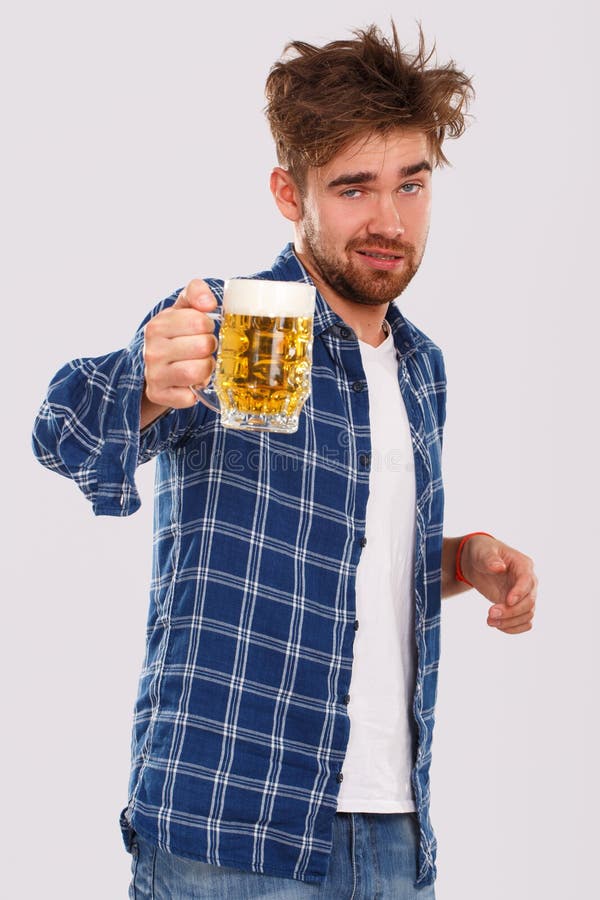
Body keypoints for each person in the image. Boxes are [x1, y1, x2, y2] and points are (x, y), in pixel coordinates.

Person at [32, 23, 537, 900]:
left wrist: (463, 561)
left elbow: (346, 548)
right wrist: (145, 383)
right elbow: (60, 431)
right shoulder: (228, 325)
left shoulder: (423, 368)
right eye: (353, 188)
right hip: (229, 830)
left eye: (410, 184)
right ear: (287, 191)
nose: (389, 220)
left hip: (395, 832)